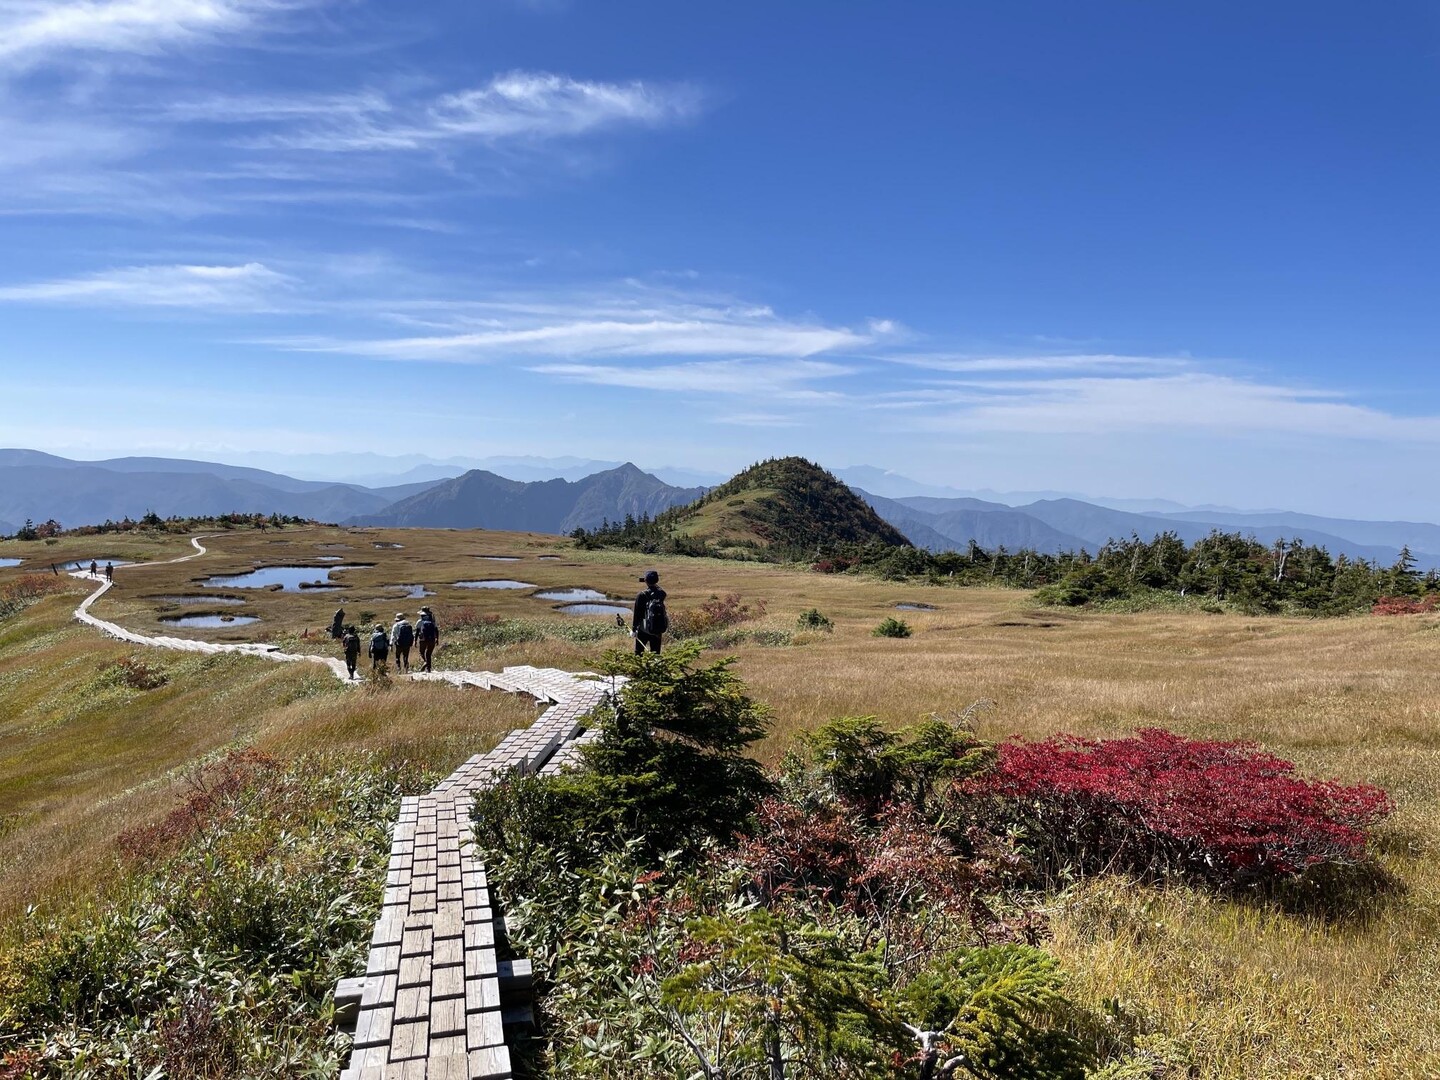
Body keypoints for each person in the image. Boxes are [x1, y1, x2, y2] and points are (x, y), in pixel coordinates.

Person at [632, 569, 668, 654]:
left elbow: (637, 614)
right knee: (655, 653)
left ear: (646, 580)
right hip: (657, 628)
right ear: (657, 580)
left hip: (643, 629)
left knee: (639, 652)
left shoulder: (641, 595)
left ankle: (640, 667)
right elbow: (660, 590)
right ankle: (655, 667)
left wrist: (634, 629)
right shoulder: (662, 593)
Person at [415, 606, 439, 672]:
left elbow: (417, 632)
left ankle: (425, 662)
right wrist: (437, 639)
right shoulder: (433, 621)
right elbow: (436, 630)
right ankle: (429, 669)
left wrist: (415, 641)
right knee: (429, 654)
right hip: (432, 639)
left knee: (421, 652)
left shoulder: (420, 621)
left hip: (423, 640)